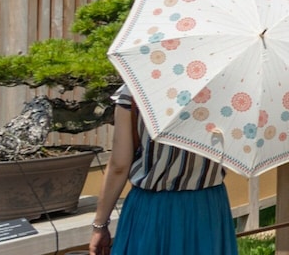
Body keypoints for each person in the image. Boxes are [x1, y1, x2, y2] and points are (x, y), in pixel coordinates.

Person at [88, 86, 236, 255]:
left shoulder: (137, 88)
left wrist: (99, 226)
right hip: (208, 208)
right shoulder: (228, 89)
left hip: (153, 208)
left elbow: (119, 166)